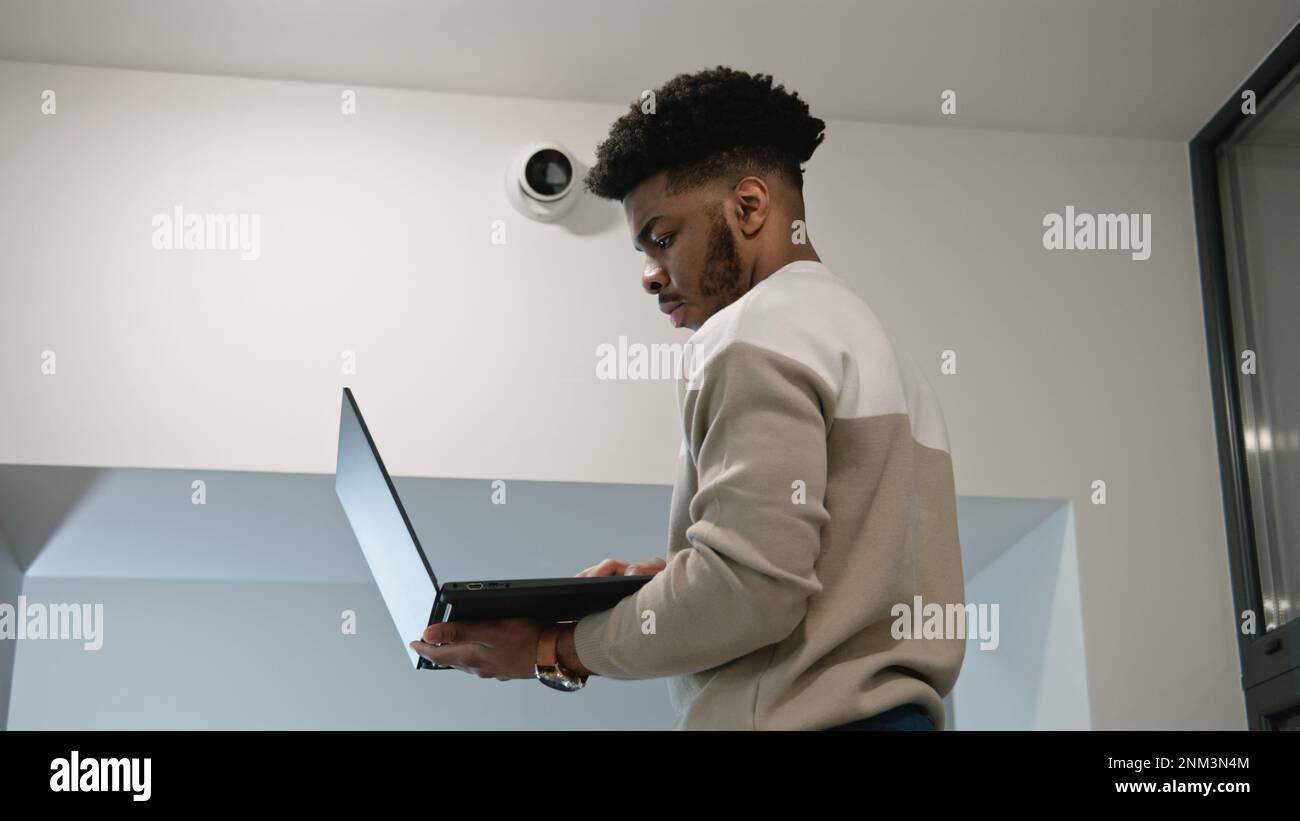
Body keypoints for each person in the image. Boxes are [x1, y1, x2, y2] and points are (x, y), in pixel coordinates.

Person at [411, 66, 965, 731]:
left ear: (751, 206)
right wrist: (678, 576)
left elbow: (750, 594)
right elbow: (813, 573)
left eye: (663, 238)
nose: (650, 276)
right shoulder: (880, 353)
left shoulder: (751, 329)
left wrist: (547, 647)